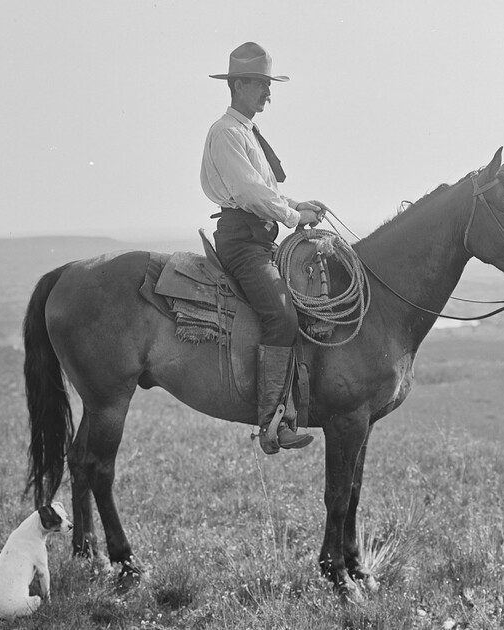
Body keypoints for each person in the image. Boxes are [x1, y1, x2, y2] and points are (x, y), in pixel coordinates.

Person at [200, 42, 330, 455]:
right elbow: (248, 193)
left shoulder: (245, 133)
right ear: (237, 85)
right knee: (281, 315)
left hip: (257, 236)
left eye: (268, 84)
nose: (268, 93)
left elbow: (263, 191)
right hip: (244, 243)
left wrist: (296, 205)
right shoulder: (227, 133)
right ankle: (272, 423)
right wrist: (293, 216)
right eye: (260, 84)